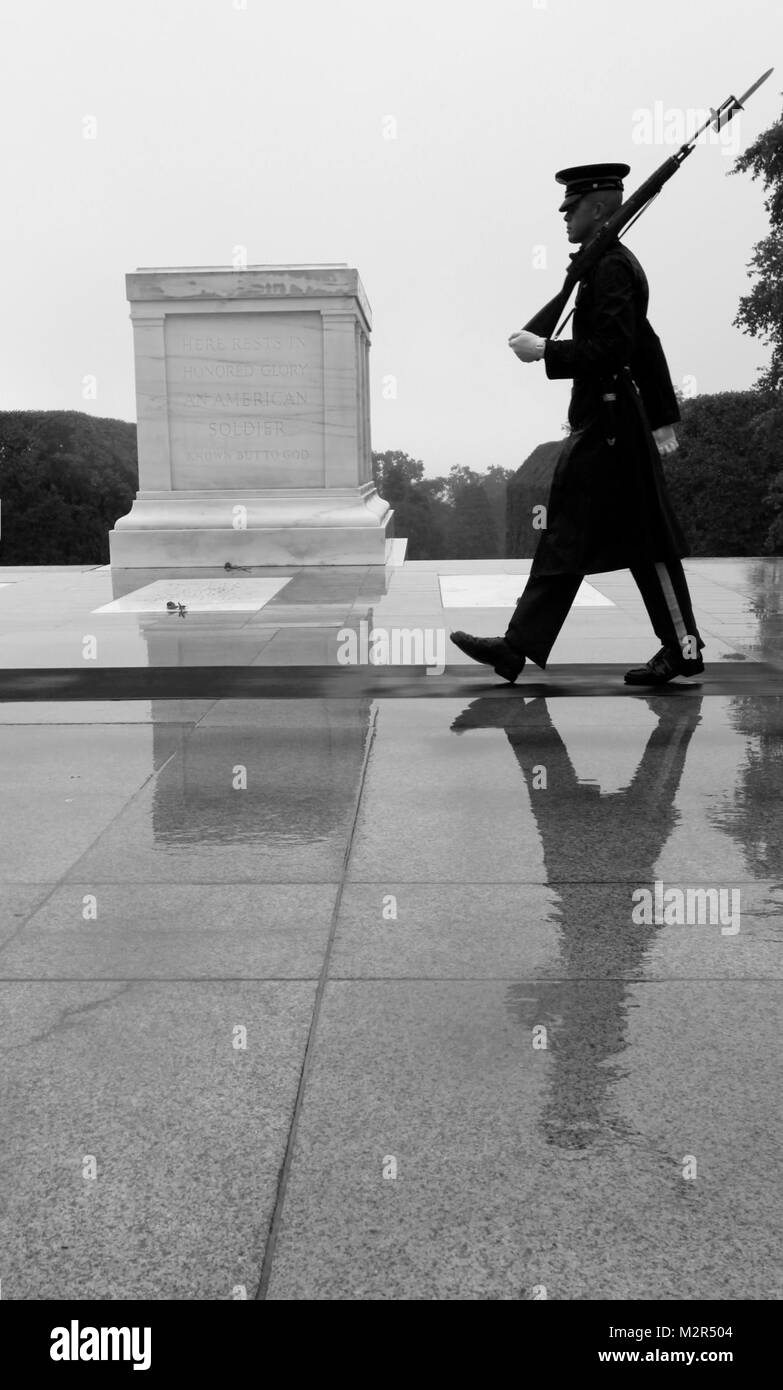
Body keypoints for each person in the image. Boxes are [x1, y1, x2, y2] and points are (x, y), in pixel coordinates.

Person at [450, 162, 705, 686]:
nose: (564, 218)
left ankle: (683, 649)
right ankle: (516, 647)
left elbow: (617, 348)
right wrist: (662, 416)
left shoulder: (611, 268)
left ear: (599, 209)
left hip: (614, 426)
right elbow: (646, 342)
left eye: (572, 209)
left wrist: (547, 350)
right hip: (602, 422)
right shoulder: (601, 266)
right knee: (565, 537)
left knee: (649, 543)